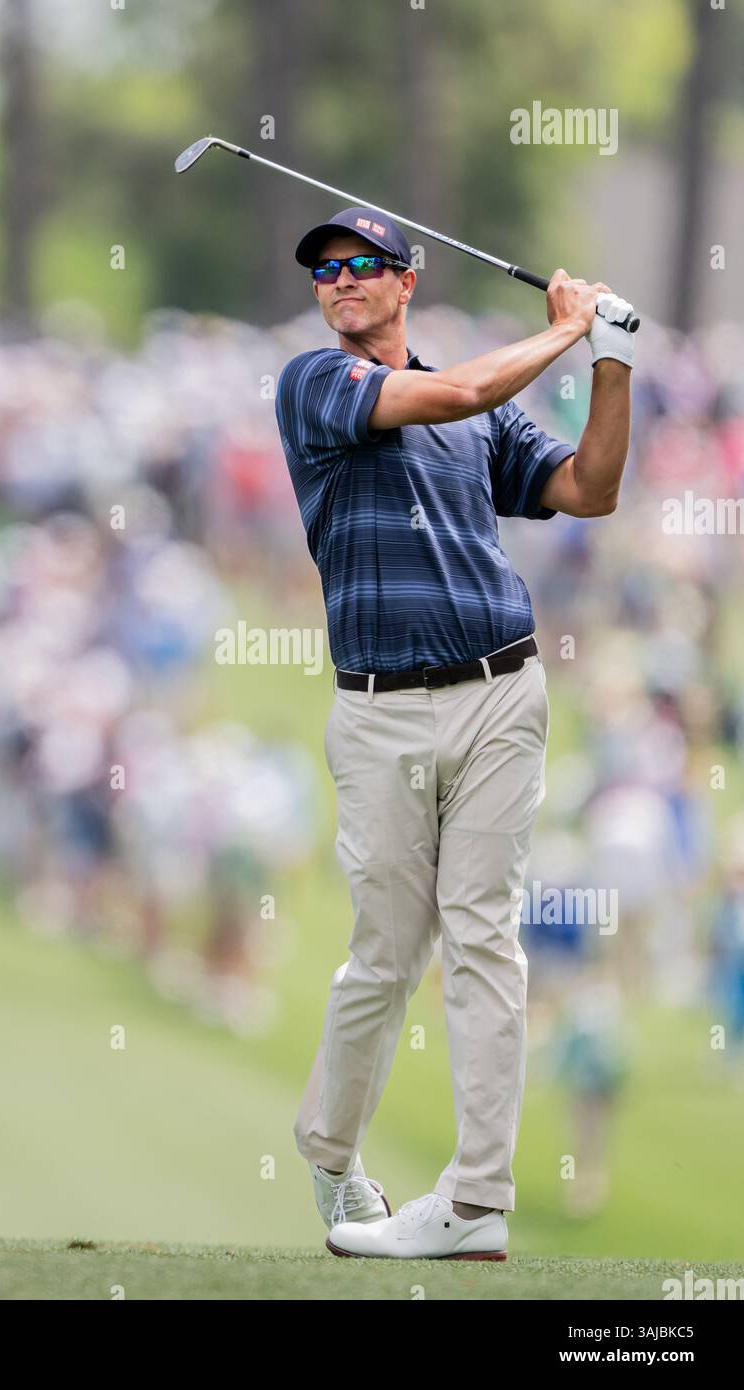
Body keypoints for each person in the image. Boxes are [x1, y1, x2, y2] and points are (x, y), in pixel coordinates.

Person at [274, 205, 635, 1259]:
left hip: (498, 693)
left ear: (405, 279)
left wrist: (609, 362)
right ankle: (334, 1159)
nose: (338, 281)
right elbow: (467, 386)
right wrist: (570, 327)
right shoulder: (315, 385)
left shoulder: (481, 419)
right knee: (385, 955)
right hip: (378, 708)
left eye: (361, 265)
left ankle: (477, 1202)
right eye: (324, 271)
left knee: (482, 932)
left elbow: (590, 489)